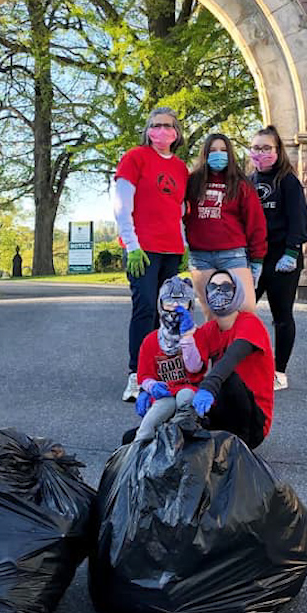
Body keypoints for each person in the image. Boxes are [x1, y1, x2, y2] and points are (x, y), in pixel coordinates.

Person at [113, 106, 190, 402]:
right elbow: (122, 202)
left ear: (176, 133)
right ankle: (136, 374)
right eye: (156, 125)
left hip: (170, 249)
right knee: (144, 308)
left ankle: (160, 370)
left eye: (168, 126)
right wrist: (131, 244)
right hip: (142, 249)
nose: (162, 131)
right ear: (148, 130)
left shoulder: (181, 169)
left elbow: (180, 210)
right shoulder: (136, 158)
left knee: (167, 313)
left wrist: (182, 245)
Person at [186, 269, 277, 449]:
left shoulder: (250, 324)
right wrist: (185, 336)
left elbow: (231, 359)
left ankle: (236, 450)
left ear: (237, 293)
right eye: (213, 287)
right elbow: (191, 368)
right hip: (220, 413)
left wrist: (208, 386)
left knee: (228, 378)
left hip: (252, 423)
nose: (218, 291)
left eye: (226, 287)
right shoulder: (209, 330)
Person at [248, 126, 307, 391]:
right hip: (256, 259)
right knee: (243, 312)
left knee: (281, 316)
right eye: (257, 148)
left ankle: (279, 372)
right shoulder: (249, 182)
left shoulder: (287, 180)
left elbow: (299, 218)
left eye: (266, 148)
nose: (261, 153)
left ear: (277, 150)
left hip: (283, 257)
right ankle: (244, 366)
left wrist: (292, 251)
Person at [183, 132, 266, 321]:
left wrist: (257, 259)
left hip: (233, 254)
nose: (218, 154)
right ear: (205, 154)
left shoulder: (241, 184)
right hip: (200, 257)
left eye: (223, 150)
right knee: (211, 314)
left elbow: (256, 222)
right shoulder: (192, 182)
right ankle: (215, 351)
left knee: (245, 309)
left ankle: (237, 349)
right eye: (213, 150)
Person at [123, 276, 206, 444]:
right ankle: (135, 456)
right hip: (166, 394)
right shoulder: (151, 340)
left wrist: (187, 337)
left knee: (185, 396)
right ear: (160, 305)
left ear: (190, 305)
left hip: (190, 393)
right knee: (147, 426)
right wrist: (150, 387)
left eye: (182, 303)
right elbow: (144, 375)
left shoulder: (199, 336)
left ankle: (180, 435)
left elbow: (195, 368)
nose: (175, 308)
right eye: (169, 302)